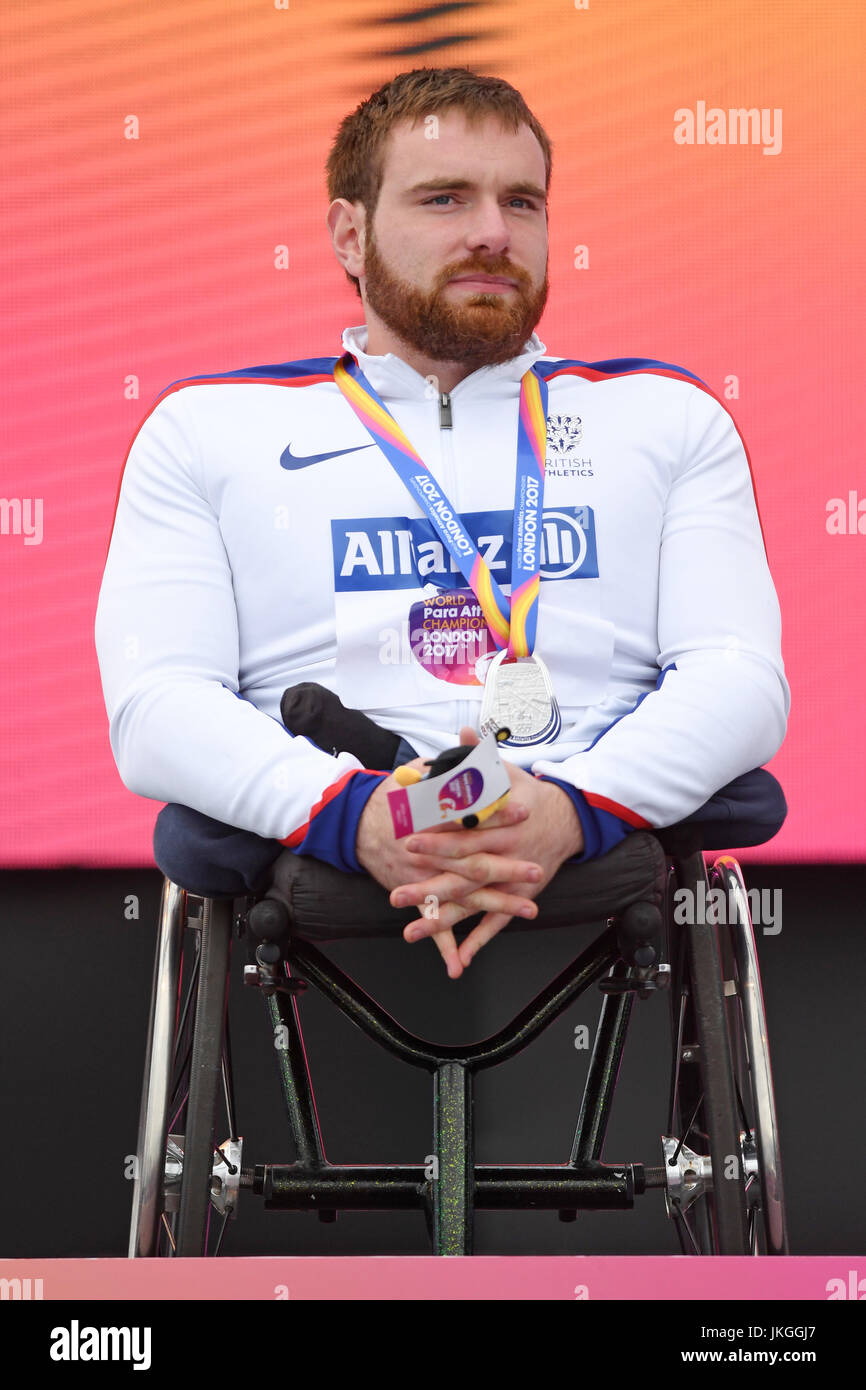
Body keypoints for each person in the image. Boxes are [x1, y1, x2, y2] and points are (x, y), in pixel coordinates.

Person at [94, 67, 789, 981]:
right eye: (444, 197)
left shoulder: (668, 418)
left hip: (592, 821)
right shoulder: (206, 429)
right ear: (350, 234)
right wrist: (355, 815)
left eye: (522, 201)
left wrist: (573, 806)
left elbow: (741, 679)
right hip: (327, 825)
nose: (494, 232)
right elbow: (156, 705)